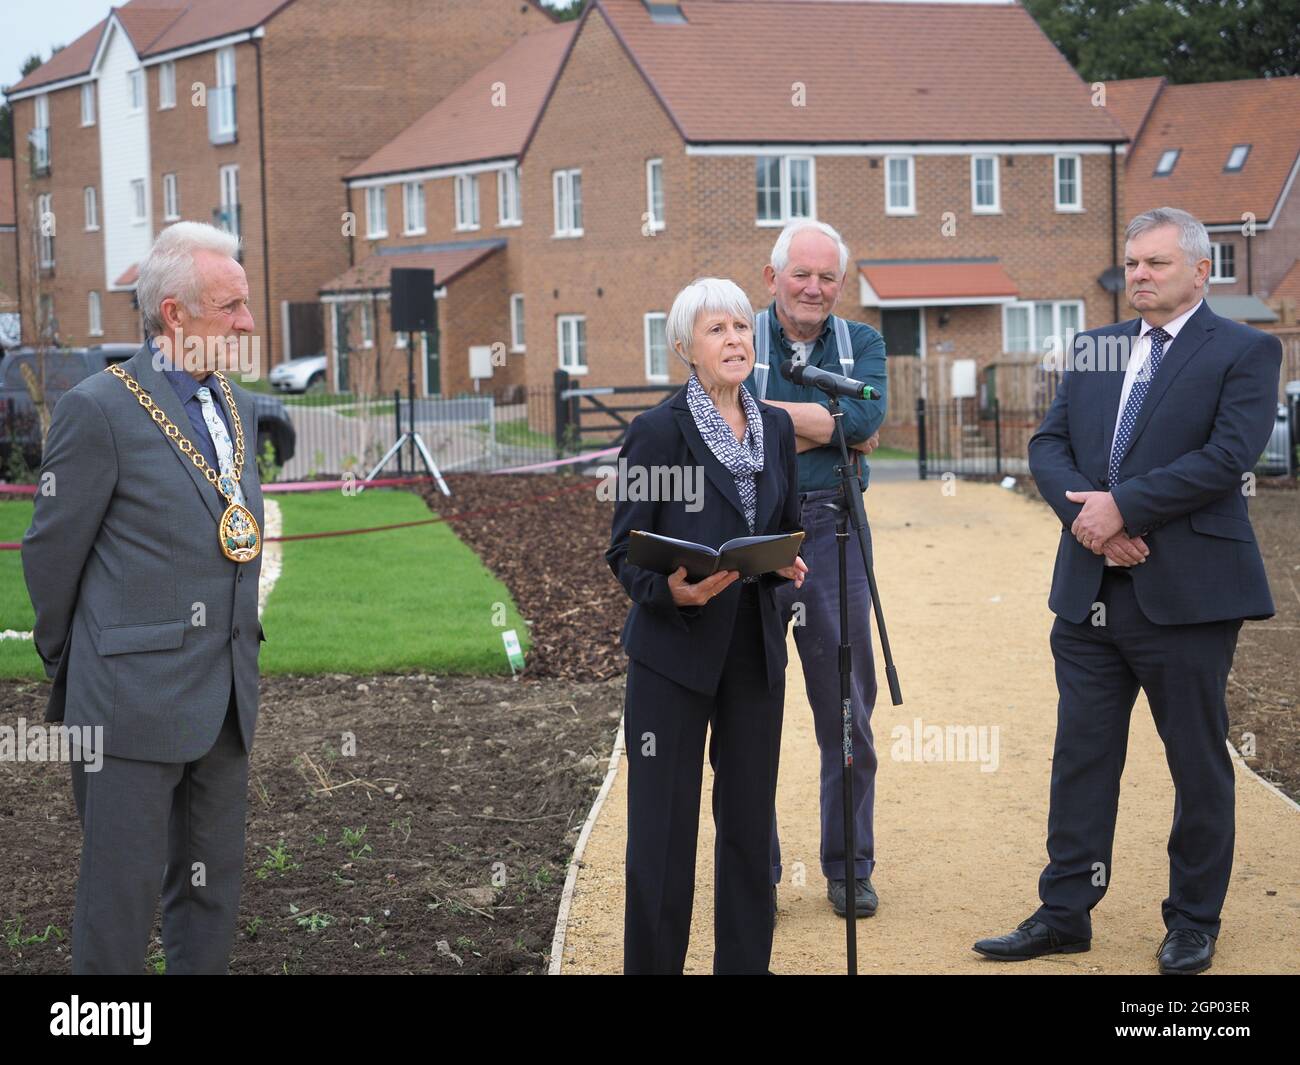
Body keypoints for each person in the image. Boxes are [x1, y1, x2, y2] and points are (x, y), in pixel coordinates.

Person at [974, 207, 1282, 975]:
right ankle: (1063, 914)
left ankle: (1192, 921)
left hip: (1189, 597)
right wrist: (1095, 521)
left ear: (1200, 270)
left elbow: (1228, 456)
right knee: (1081, 757)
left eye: (1156, 264)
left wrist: (1127, 506)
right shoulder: (1096, 347)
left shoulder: (1245, 350)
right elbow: (1048, 443)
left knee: (1197, 763)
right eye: (1133, 263)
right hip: (1088, 594)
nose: (1138, 275)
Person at [22, 221, 266, 974]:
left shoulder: (237, 407)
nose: (248, 322)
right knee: (118, 900)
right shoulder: (99, 409)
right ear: (176, 315)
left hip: (224, 698)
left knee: (210, 892)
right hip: (127, 702)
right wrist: (80, 661)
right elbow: (50, 554)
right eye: (230, 306)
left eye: (245, 304)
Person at [607, 277, 807, 974]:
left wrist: (786, 564)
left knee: (750, 830)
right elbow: (621, 548)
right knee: (662, 835)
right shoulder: (657, 432)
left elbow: (782, 528)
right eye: (718, 329)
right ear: (686, 347)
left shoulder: (776, 425)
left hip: (755, 649)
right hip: (674, 654)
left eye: (743, 328)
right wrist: (670, 591)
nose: (735, 341)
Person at [744, 220, 887, 919]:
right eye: (801, 273)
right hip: (750, 533)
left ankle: (850, 864)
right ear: (772, 278)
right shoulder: (736, 334)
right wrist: (825, 418)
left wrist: (766, 413)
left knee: (846, 709)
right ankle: (756, 871)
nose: (814, 287)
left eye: (827, 276)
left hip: (832, 530)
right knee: (748, 706)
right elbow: (716, 413)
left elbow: (866, 423)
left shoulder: (862, 342)